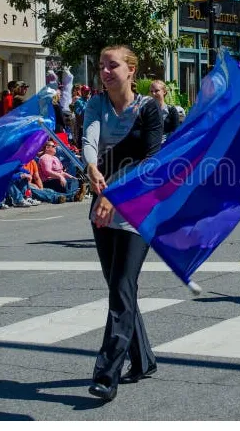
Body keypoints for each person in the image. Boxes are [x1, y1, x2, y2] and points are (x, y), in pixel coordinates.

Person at [82, 45, 163, 402]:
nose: (105, 71)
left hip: (138, 208)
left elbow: (150, 160)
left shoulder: (148, 109)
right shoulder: (97, 103)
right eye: (101, 65)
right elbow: (90, 137)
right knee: (119, 288)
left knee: (121, 288)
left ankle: (106, 373)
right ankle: (143, 359)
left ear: (131, 70)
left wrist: (113, 193)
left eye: (112, 65)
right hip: (102, 206)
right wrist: (92, 166)